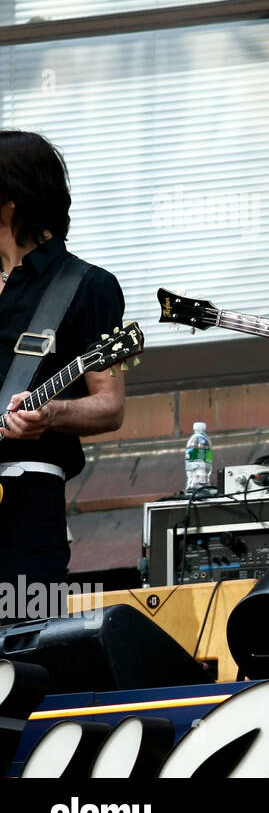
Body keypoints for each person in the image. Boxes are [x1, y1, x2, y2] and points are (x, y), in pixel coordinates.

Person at [0, 130, 126, 606]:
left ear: (11, 200)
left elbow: (110, 407)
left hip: (24, 500)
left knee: (20, 650)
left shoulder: (86, 286)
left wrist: (49, 415)